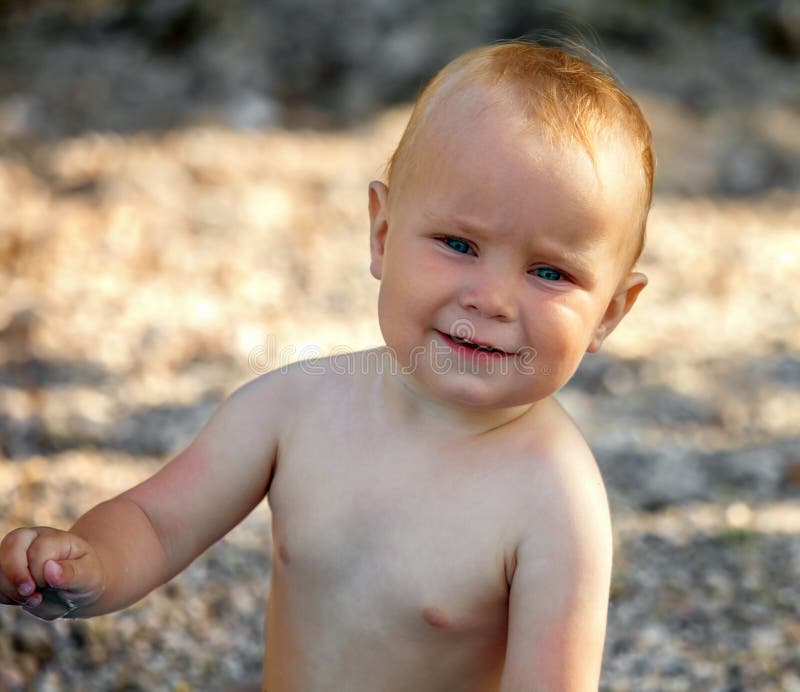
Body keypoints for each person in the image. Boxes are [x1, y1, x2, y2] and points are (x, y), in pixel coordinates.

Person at [0, 41, 652, 690]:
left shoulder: (555, 500)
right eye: (459, 243)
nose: (492, 299)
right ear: (383, 235)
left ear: (610, 312)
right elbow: (157, 523)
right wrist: (90, 568)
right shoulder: (298, 407)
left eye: (549, 273)